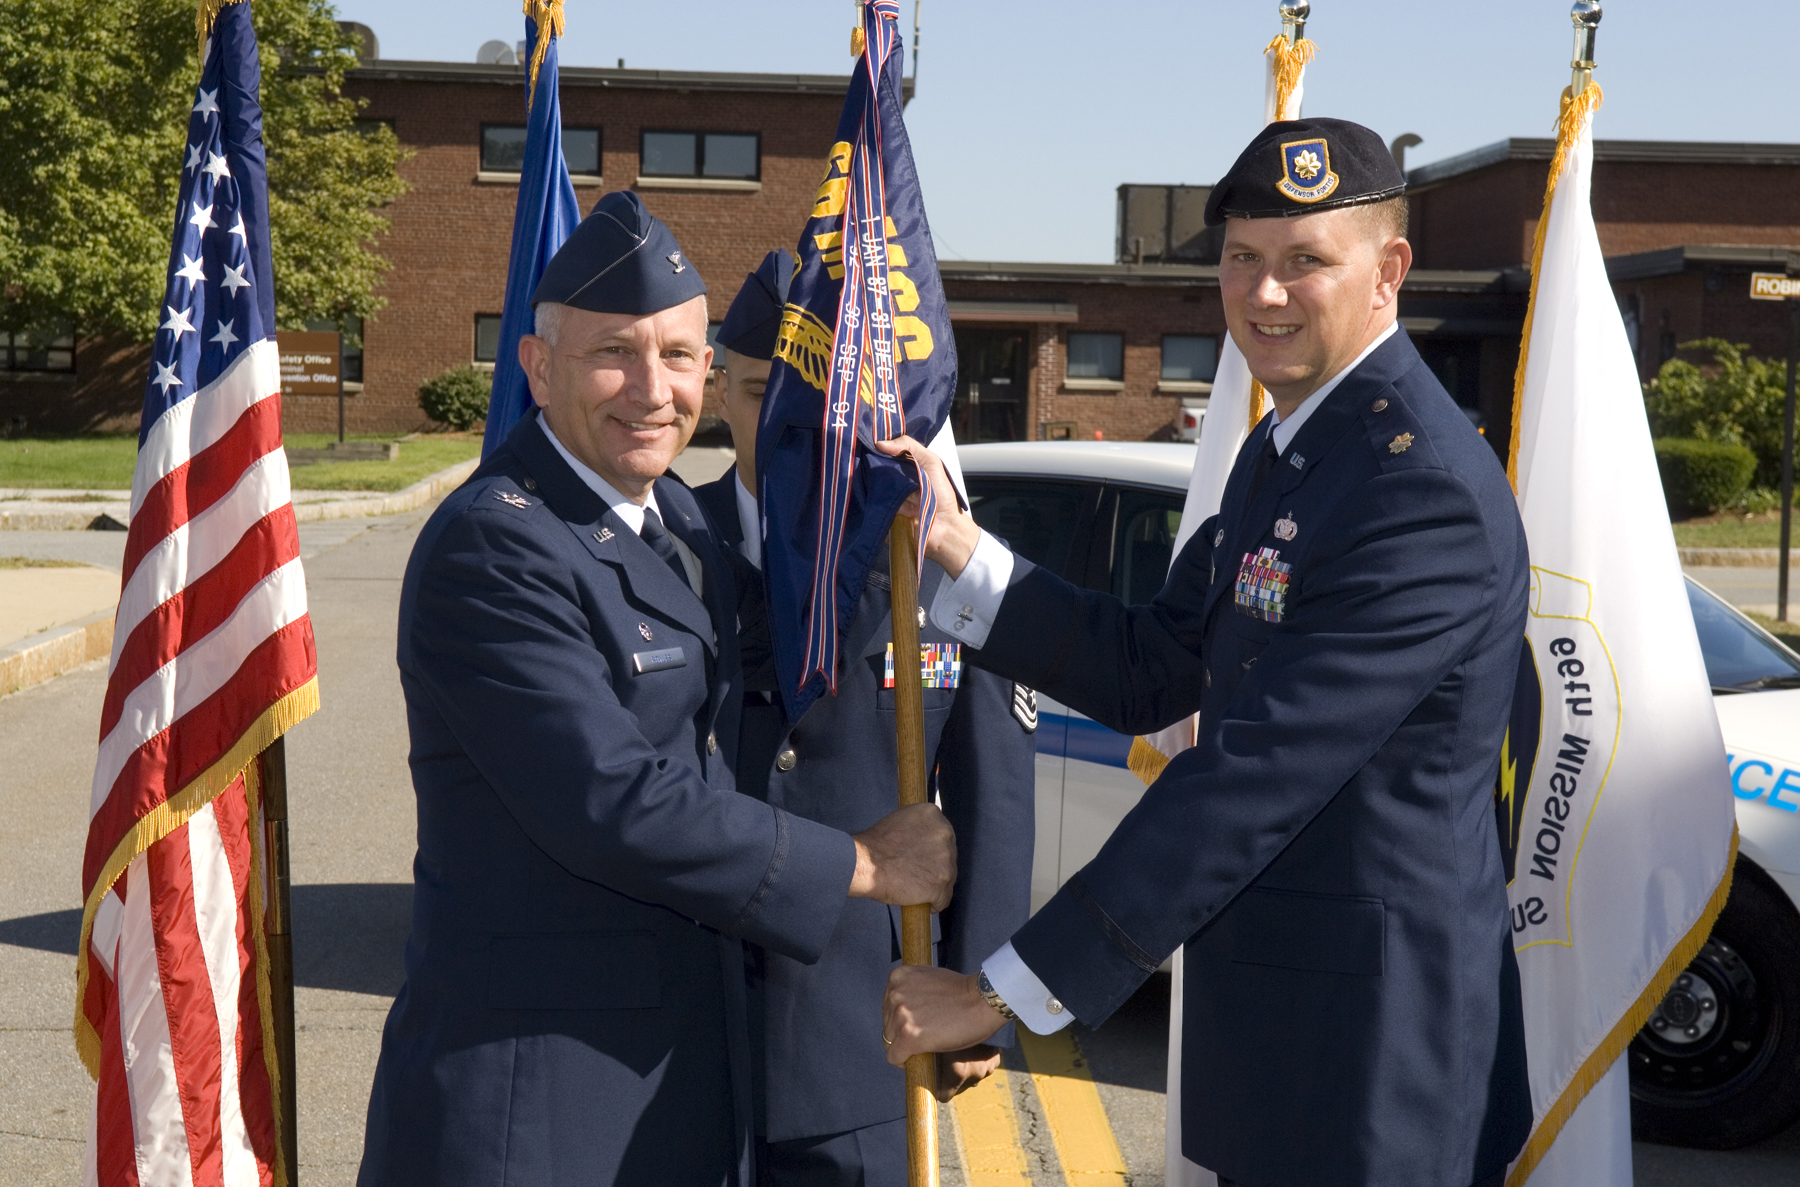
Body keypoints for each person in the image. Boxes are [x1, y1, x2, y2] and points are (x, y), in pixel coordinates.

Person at [877, 120, 1533, 1187]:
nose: (1264, 295)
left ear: (1389, 270)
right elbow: (1150, 664)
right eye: (1241, 260)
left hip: (1371, 1050)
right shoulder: (1291, 453)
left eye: (1305, 262)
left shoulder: (1417, 492)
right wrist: (959, 547)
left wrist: (1002, 991)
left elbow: (1253, 776)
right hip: (1278, 1021)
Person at [358, 192, 958, 1187]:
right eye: (615, 354)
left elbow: (781, 675)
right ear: (538, 367)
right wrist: (861, 863)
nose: (652, 389)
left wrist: (895, 535)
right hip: (538, 1111)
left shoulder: (673, 519)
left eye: (679, 357)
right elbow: (615, 801)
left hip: (671, 1096)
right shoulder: (497, 546)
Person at [695, 251, 1038, 1187]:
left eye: (811, 393)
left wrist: (981, 987)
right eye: (764, 390)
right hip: (685, 1029)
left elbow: (990, 778)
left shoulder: (922, 560)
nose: (788, 421)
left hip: (859, 1037)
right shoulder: (665, 544)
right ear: (720, 389)